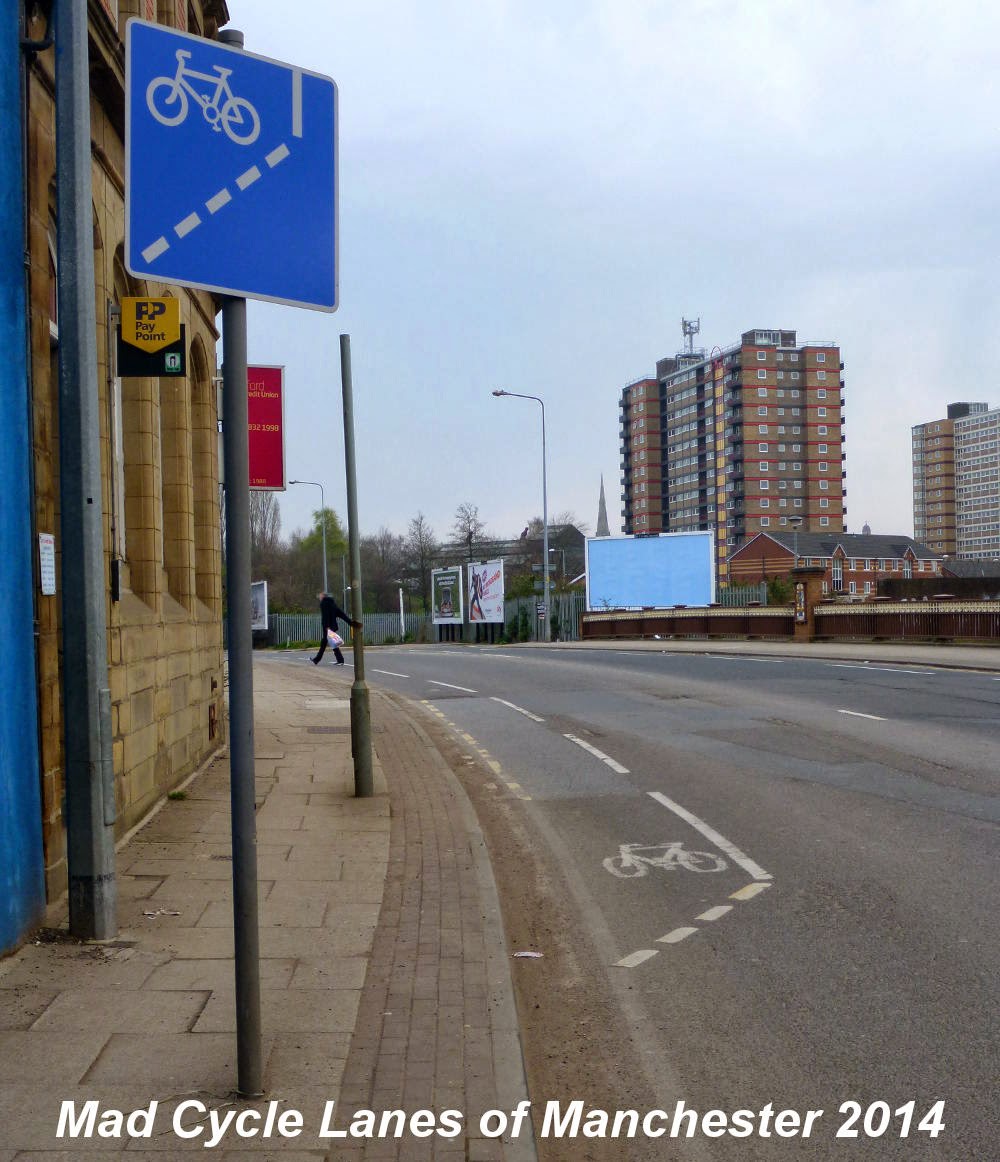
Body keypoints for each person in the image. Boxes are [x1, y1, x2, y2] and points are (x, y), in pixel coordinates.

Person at [312, 591, 360, 665]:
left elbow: (326, 616)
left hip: (327, 627)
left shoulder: (324, 604)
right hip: (333, 627)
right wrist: (351, 623)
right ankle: (319, 659)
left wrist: (327, 627)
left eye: (320, 596)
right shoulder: (332, 604)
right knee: (329, 642)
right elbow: (341, 614)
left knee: (326, 642)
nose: (319, 597)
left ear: (323, 596)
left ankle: (318, 659)